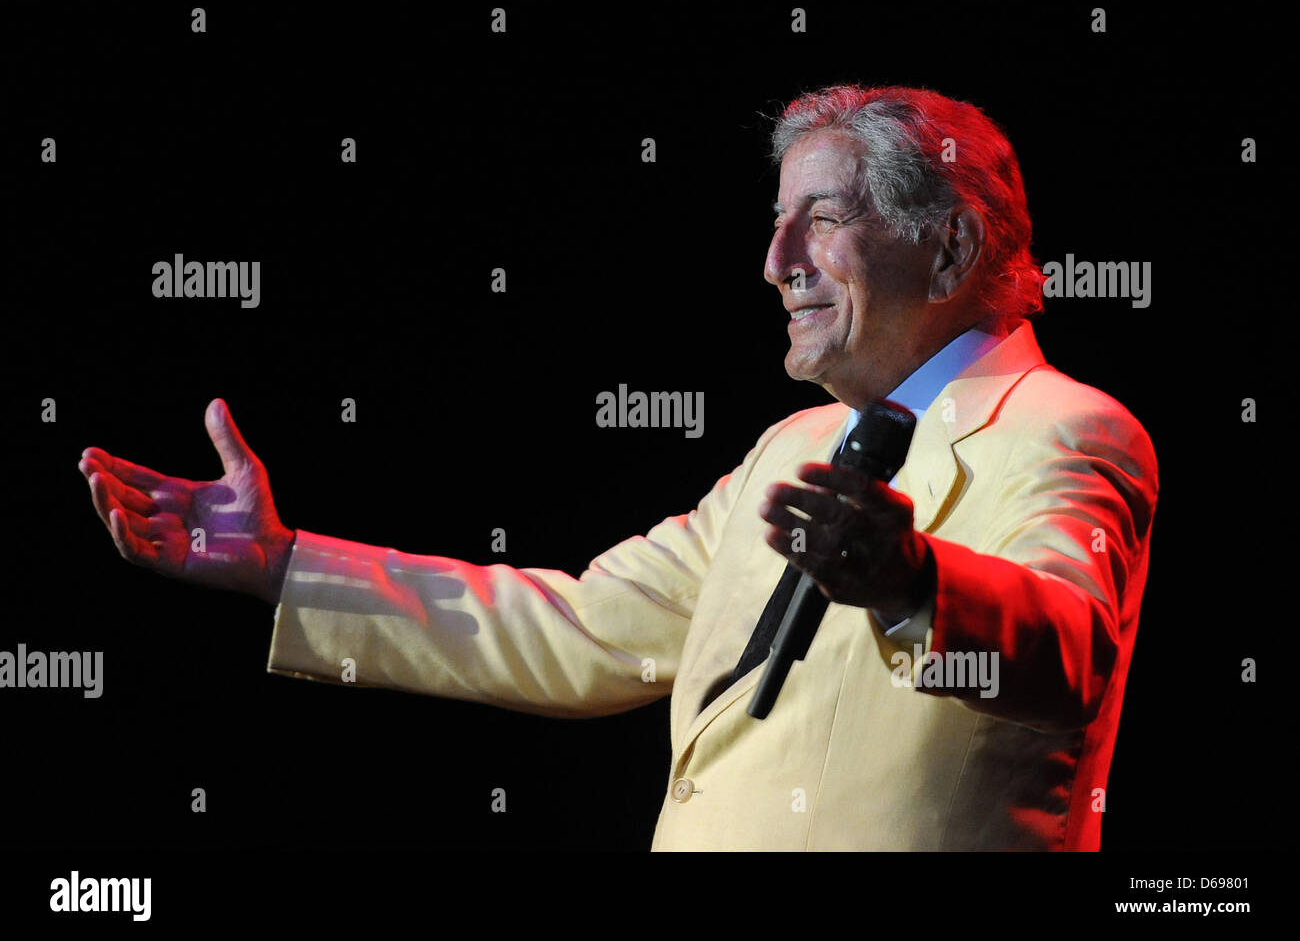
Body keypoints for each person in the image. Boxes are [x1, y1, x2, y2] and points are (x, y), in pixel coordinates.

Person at [79, 85, 1158, 850]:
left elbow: (1070, 655)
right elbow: (581, 629)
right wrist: (284, 565)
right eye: (774, 222)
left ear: (950, 249)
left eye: (820, 220)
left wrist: (914, 585)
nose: (774, 263)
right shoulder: (789, 449)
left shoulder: (1065, 428)